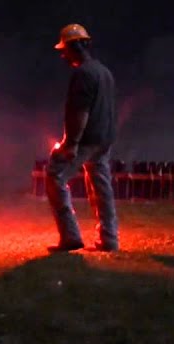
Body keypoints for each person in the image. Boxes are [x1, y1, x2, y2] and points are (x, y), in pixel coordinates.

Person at [45, 23, 119, 253]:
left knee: (55, 176)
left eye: (64, 49)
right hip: (104, 139)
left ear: (73, 46)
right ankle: (109, 239)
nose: (62, 55)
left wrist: (71, 144)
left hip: (86, 140)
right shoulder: (104, 72)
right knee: (102, 187)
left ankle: (70, 237)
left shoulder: (82, 74)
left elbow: (80, 112)